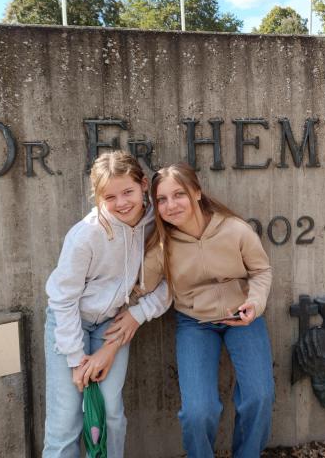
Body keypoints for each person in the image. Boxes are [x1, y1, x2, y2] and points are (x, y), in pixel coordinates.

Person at [139, 162, 274, 458]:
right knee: (198, 411)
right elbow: (137, 288)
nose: (171, 205)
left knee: (259, 396)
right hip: (195, 324)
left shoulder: (234, 229)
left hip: (242, 317)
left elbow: (261, 270)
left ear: (197, 192)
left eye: (179, 194)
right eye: (162, 199)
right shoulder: (162, 247)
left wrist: (255, 302)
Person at [43, 151, 169, 458]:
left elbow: (172, 283)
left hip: (114, 323)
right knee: (66, 419)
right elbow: (63, 298)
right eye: (109, 196)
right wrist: (75, 359)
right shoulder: (86, 235)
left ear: (143, 185)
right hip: (70, 322)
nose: (122, 203)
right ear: (97, 197)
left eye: (128, 192)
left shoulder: (159, 224)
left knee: (111, 411)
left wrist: (138, 314)